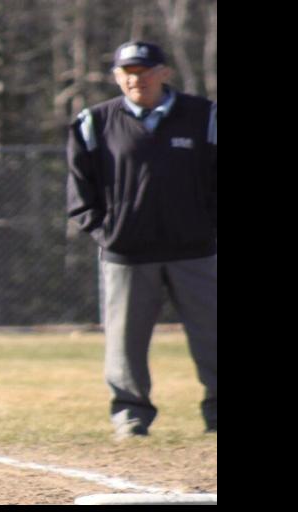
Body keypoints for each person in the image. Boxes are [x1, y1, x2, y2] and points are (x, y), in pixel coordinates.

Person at [66, 40, 217, 438]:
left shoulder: (204, 116)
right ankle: (131, 417)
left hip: (196, 252)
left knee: (213, 336)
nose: (136, 80)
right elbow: (80, 192)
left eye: (144, 71)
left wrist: (207, 229)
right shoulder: (95, 122)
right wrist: (109, 234)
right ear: (117, 77)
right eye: (127, 73)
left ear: (164, 73)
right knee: (124, 344)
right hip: (128, 254)